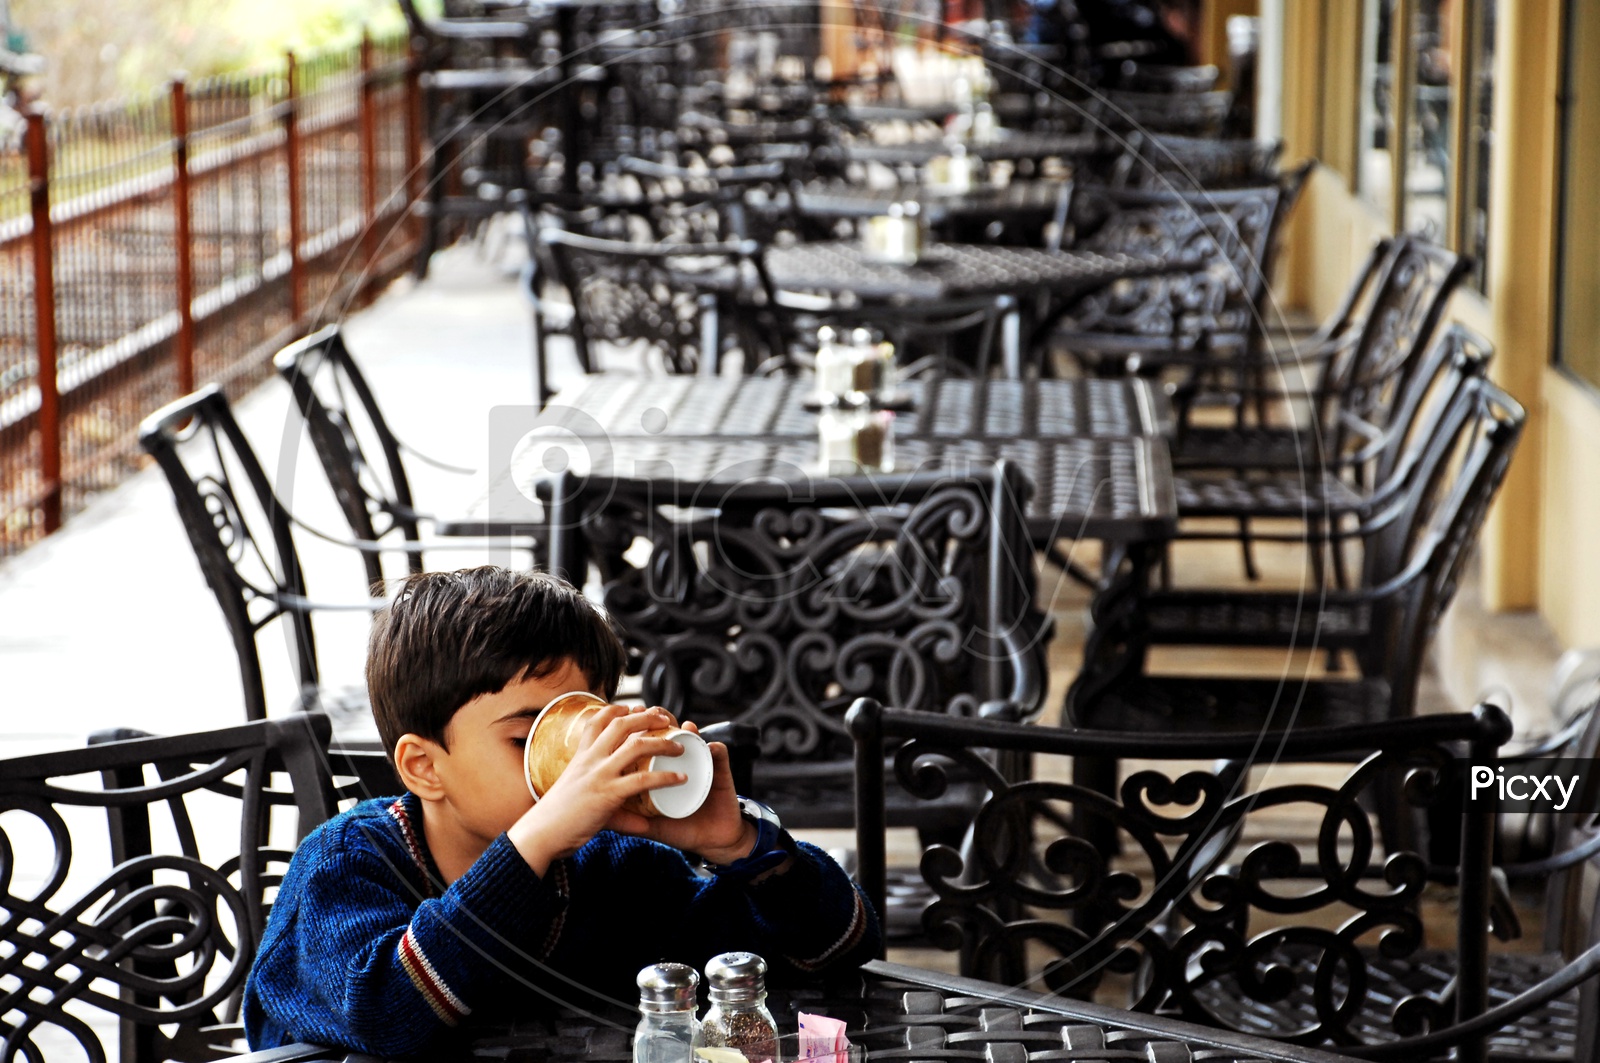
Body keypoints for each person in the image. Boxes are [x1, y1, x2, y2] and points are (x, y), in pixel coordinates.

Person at [243, 567, 881, 1057]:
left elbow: (835, 953)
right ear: (424, 767)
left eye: (585, 729)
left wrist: (742, 847)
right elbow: (385, 1012)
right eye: (528, 740)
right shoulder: (348, 863)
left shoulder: (614, 865)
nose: (576, 770)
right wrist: (534, 842)